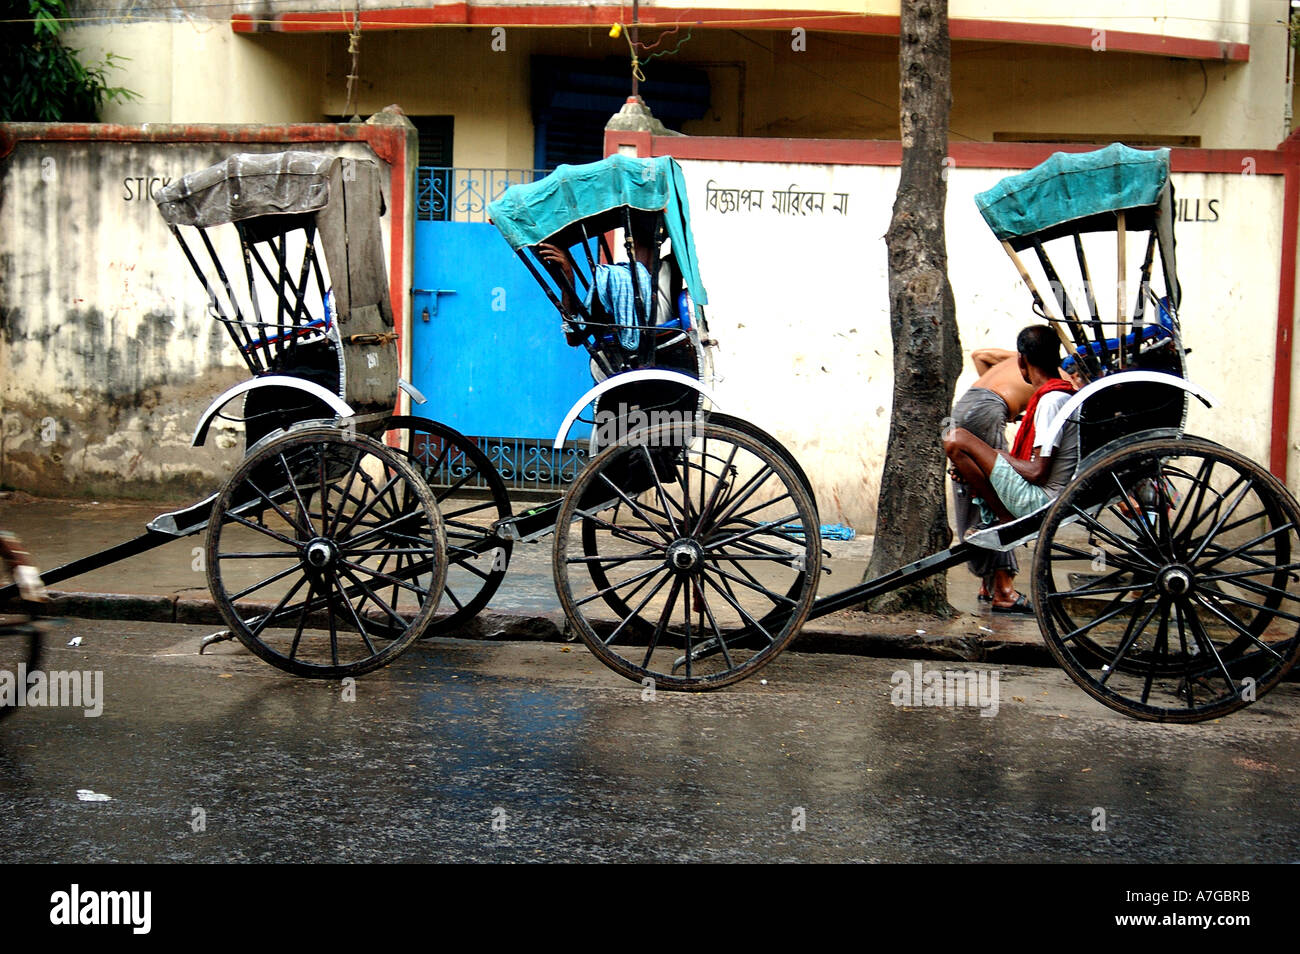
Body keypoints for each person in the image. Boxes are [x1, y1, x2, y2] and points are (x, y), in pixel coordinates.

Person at [944, 325, 1079, 614]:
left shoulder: (1052, 398)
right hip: (987, 409)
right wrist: (989, 459)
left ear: (1021, 360)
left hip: (973, 409)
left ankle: (1001, 578)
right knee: (969, 465)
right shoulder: (1062, 389)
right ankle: (995, 581)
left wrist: (993, 456)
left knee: (958, 444)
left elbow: (1036, 472)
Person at [949, 348, 1035, 611]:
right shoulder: (1061, 380)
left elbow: (979, 356)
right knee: (999, 499)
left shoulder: (1013, 361)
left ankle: (988, 584)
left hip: (964, 406)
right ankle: (1004, 591)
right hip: (986, 411)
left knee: (978, 495)